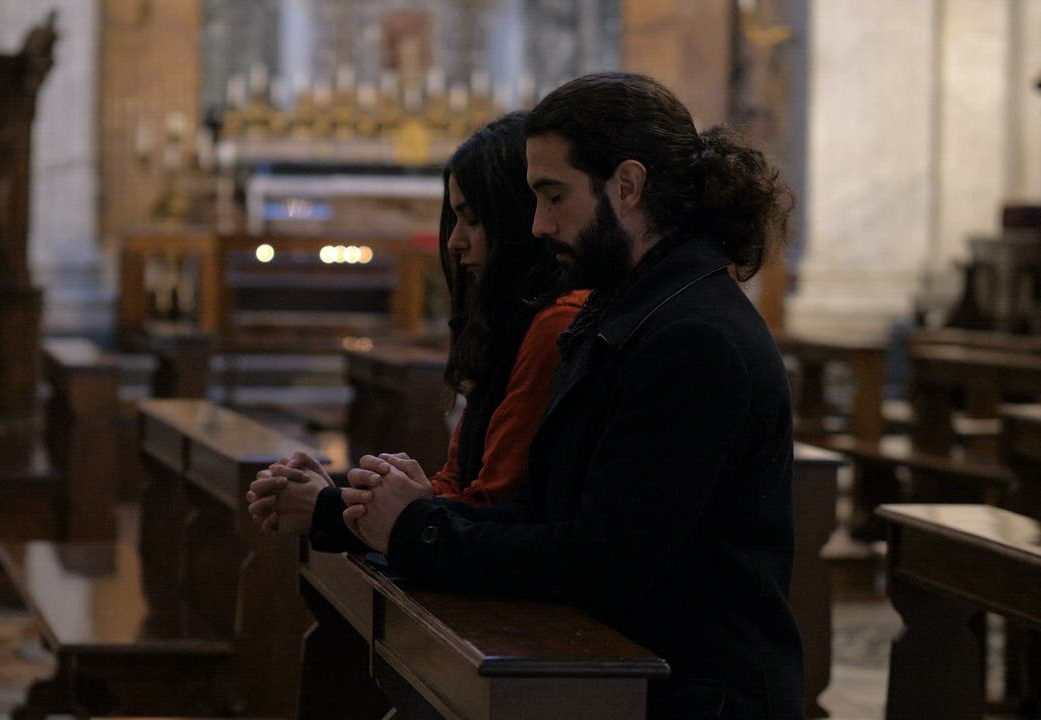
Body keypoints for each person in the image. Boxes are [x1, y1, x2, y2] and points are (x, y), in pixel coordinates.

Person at [341, 72, 803, 720]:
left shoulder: (695, 338)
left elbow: (604, 559)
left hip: (692, 696)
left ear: (627, 186)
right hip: (620, 674)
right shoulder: (625, 310)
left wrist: (420, 530)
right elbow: (545, 511)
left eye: (553, 196)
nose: (537, 224)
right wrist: (405, 515)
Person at [246, 112, 587, 546]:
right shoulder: (514, 323)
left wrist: (329, 507)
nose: (453, 241)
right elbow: (456, 481)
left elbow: (493, 503)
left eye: (474, 220)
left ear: (517, 219)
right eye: (455, 219)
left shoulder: (556, 323)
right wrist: (343, 495)